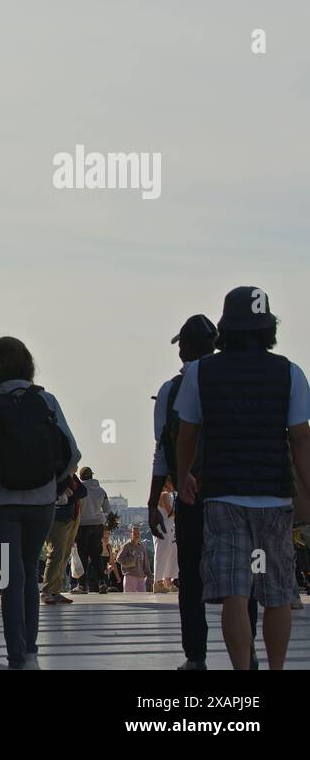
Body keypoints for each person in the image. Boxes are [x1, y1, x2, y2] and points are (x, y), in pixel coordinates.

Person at [175, 286, 310, 671]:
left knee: (236, 592)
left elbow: (187, 434)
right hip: (275, 499)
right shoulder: (290, 372)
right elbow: (301, 439)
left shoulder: (201, 372)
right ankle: (277, 668)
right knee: (277, 593)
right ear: (268, 328)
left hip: (224, 497)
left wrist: (185, 475)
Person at [147, 313, 259, 669]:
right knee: (241, 579)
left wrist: (153, 502)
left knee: (192, 580)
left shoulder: (172, 389)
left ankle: (195, 656)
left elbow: (163, 450)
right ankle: (248, 652)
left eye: (181, 343)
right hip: (237, 493)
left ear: (189, 346)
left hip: (192, 496)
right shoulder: (238, 381)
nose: (179, 349)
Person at [0, 336, 80, 670]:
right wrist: (55, 483)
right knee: (29, 570)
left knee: (11, 578)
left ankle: (16, 655)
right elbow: (72, 453)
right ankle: (31, 652)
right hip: (41, 501)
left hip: (0, 501)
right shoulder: (45, 399)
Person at [42, 473, 86, 604]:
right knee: (56, 554)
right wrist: (69, 493)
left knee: (64, 555)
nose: (76, 467)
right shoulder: (57, 475)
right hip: (58, 519)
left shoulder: (69, 476)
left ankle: (55, 590)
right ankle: (47, 591)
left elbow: (82, 492)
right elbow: (56, 494)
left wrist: (71, 494)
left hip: (71, 517)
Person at [74, 468, 111, 594]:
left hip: (82, 526)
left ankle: (82, 586)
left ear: (81, 477)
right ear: (91, 476)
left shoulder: (78, 490)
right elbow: (107, 509)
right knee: (96, 556)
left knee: (82, 555)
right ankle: (102, 583)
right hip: (97, 525)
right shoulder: (101, 491)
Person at [153, 483, 180, 592]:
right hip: (162, 527)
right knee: (161, 553)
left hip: (169, 527)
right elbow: (170, 512)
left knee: (171, 552)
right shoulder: (163, 495)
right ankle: (157, 582)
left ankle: (167, 581)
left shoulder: (169, 495)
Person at [118, 526, 150, 592]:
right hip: (130, 576)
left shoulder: (142, 547)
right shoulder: (127, 546)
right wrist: (131, 560)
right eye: (135, 534)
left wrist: (149, 575)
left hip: (141, 577)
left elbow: (146, 563)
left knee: (142, 599)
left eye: (138, 534)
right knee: (130, 599)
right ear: (131, 534)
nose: (137, 535)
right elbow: (119, 558)